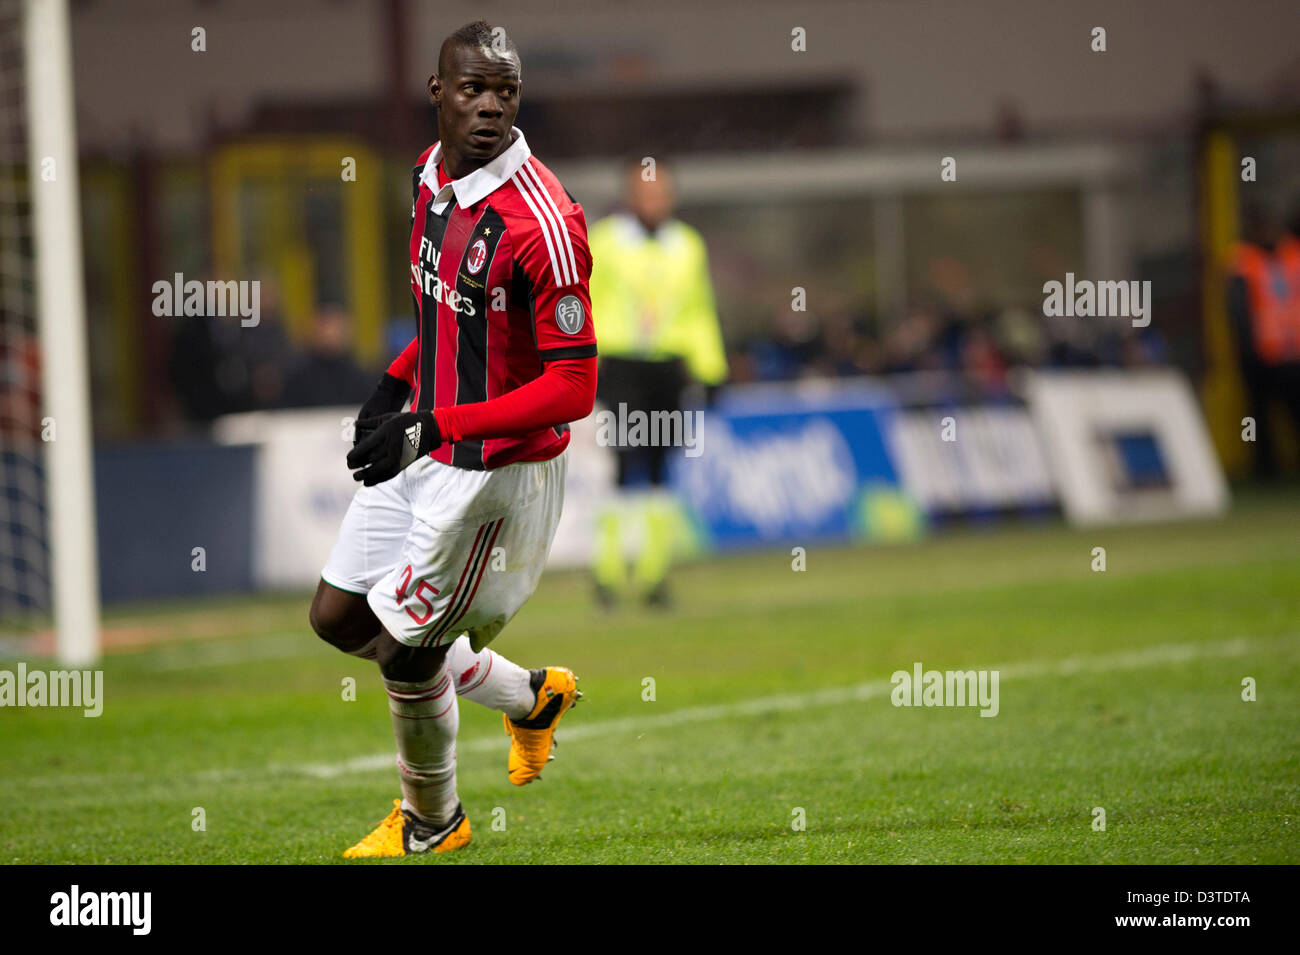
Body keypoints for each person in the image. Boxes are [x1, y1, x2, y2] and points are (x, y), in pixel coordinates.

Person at [308, 20, 598, 857]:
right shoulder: (429, 177)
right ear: (438, 94)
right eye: (472, 89)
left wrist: (435, 421)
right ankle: (531, 696)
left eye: (504, 92)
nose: (489, 108)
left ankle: (435, 821)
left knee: (407, 653)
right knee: (337, 616)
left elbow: (572, 387)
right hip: (425, 435)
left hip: (493, 470)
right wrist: (394, 385)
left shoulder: (544, 225)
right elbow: (447, 316)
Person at [587, 160, 727, 607]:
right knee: (625, 465)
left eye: (660, 192)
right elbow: (581, 300)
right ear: (631, 196)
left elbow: (699, 311)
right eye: (645, 193)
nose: (653, 201)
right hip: (621, 366)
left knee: (662, 469)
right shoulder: (604, 241)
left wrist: (712, 369)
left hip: (668, 367)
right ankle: (608, 572)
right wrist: (583, 361)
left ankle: (654, 575)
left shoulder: (688, 246)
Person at [1227, 202, 1300, 477]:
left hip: (1293, 354)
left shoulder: (1293, 253)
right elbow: (1237, 310)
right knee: (1259, 418)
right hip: (1261, 354)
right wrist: (1247, 350)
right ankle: (1266, 471)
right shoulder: (1243, 260)